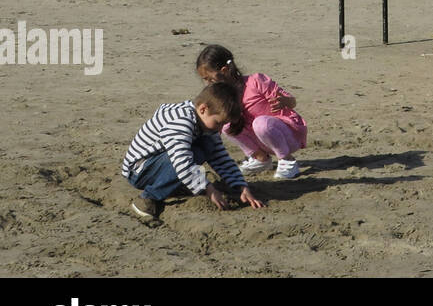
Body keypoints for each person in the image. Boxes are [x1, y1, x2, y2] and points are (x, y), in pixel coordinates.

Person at [121, 82, 265, 222]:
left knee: (207, 145)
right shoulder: (181, 121)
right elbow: (182, 161)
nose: (220, 129)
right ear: (203, 109)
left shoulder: (206, 124)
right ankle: (148, 198)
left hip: (159, 164)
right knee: (195, 153)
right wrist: (207, 188)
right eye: (218, 122)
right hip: (139, 171)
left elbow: (220, 157)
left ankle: (177, 183)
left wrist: (241, 186)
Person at [196, 44, 307, 179]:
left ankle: (287, 160)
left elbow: (292, 102)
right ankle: (260, 159)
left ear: (224, 70)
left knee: (260, 123)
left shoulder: (256, 81)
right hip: (262, 141)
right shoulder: (223, 97)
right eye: (205, 80)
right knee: (226, 125)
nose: (208, 83)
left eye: (209, 78)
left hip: (288, 135)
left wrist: (284, 101)